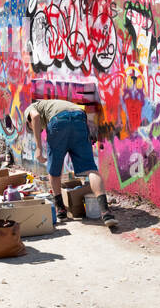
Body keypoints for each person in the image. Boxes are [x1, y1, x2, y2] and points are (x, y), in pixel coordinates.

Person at [23, 98, 117, 230]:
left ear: (28, 122)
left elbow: (36, 117)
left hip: (58, 122)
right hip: (79, 119)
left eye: (37, 130)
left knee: (54, 170)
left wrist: (39, 147)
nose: (40, 131)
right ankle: (106, 212)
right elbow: (80, 114)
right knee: (91, 169)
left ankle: (60, 210)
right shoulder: (55, 104)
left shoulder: (31, 108)